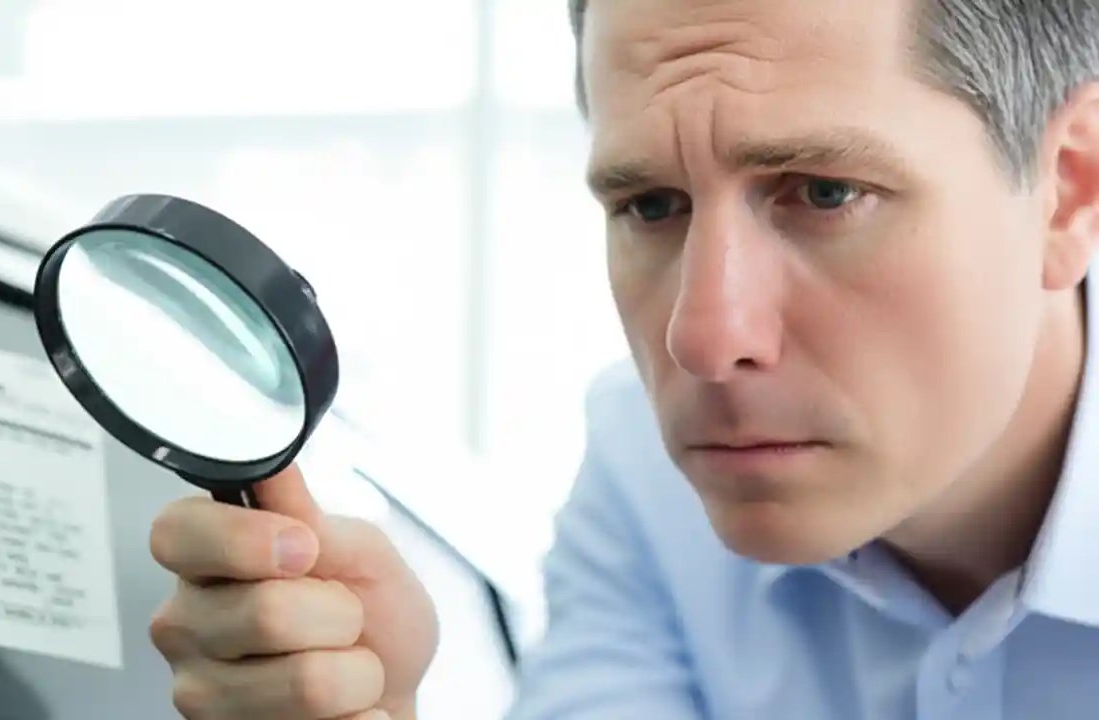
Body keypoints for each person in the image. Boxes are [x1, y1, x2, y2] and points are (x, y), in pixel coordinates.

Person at [144, 0, 1099, 716]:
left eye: (823, 192)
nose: (705, 338)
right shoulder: (647, 475)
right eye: (650, 206)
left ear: (1067, 191)